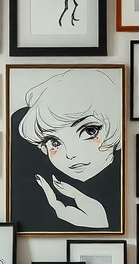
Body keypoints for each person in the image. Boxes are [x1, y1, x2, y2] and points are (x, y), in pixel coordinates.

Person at [12, 69, 122, 232]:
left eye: (89, 131)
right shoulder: (33, 193)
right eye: (54, 141)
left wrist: (104, 225)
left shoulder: (128, 176)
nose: (70, 154)